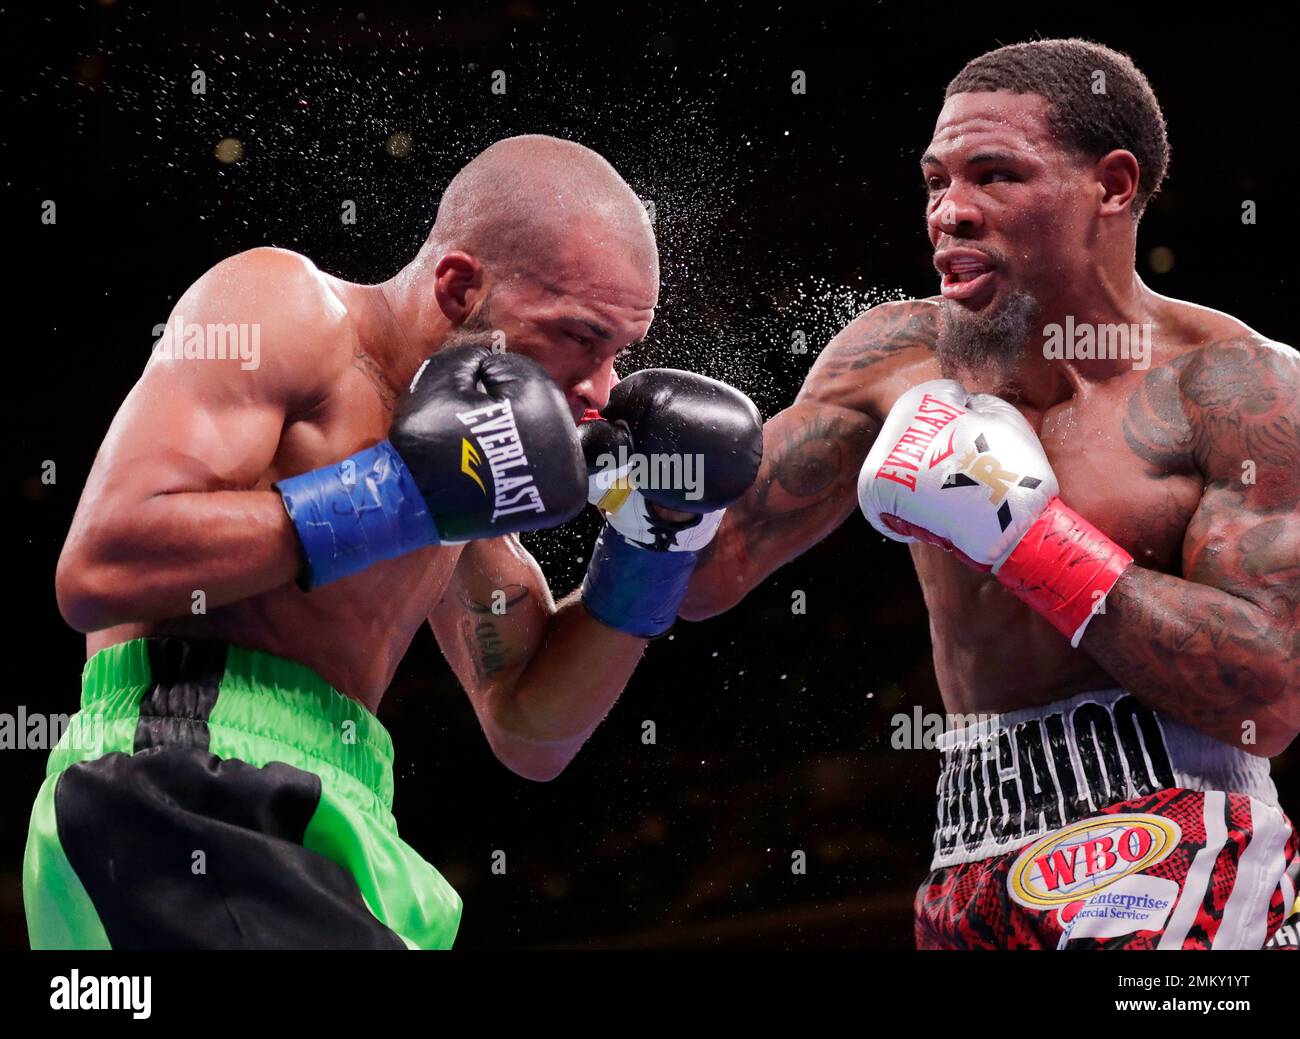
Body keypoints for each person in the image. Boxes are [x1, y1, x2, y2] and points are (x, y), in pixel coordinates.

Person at [27, 134, 762, 949]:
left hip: (333, 808)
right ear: (459, 285)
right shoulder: (286, 308)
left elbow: (529, 727)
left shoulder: (468, 459)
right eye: (580, 337)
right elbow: (100, 564)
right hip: (181, 775)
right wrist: (399, 494)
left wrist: (654, 544)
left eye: (619, 352)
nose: (600, 389)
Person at [680, 39, 1300, 949]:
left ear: (1115, 186)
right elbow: (708, 570)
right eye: (936, 182)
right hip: (969, 852)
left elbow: (1270, 696)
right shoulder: (894, 354)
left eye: (994, 176)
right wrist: (640, 479)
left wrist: (1024, 533)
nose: (950, 213)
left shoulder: (1237, 386)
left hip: (1179, 827)